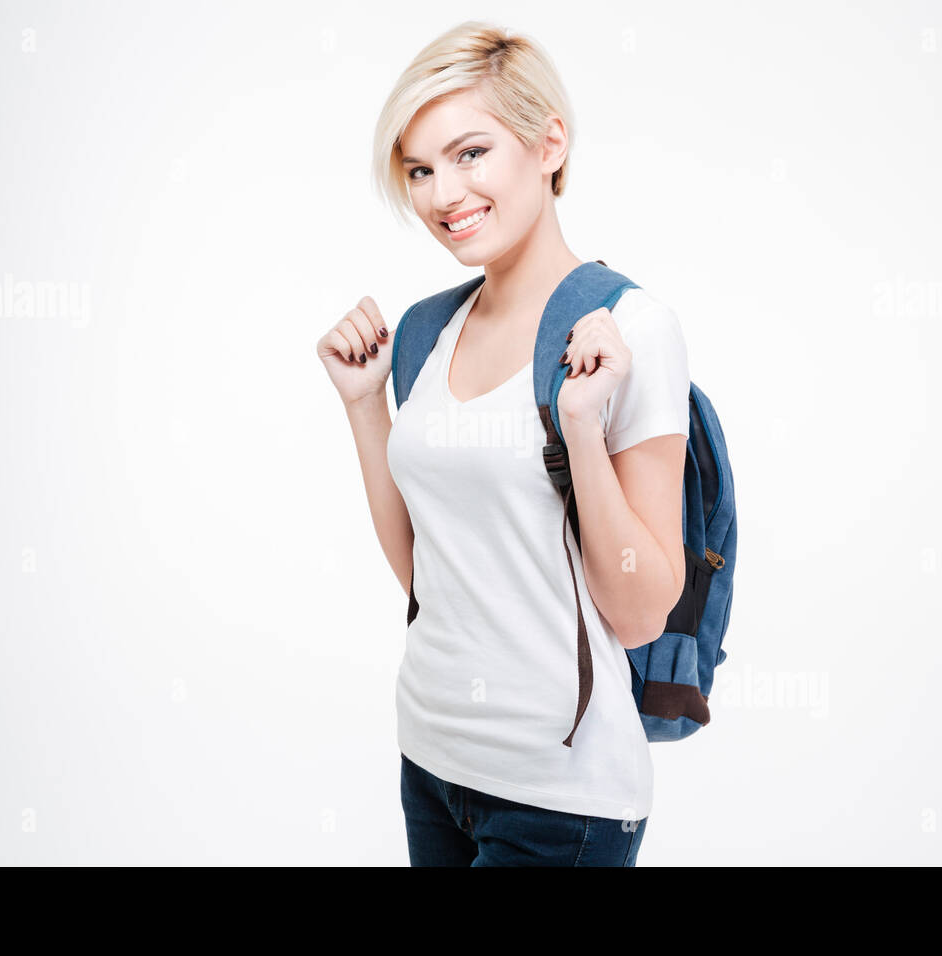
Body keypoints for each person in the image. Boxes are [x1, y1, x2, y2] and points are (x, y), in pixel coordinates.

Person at [315, 21, 692, 866]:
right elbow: (428, 570)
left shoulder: (634, 328)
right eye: (419, 169)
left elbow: (638, 613)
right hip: (432, 760)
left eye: (471, 153)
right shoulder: (426, 332)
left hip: (560, 799)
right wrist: (365, 404)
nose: (444, 193)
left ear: (550, 140)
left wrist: (582, 429)